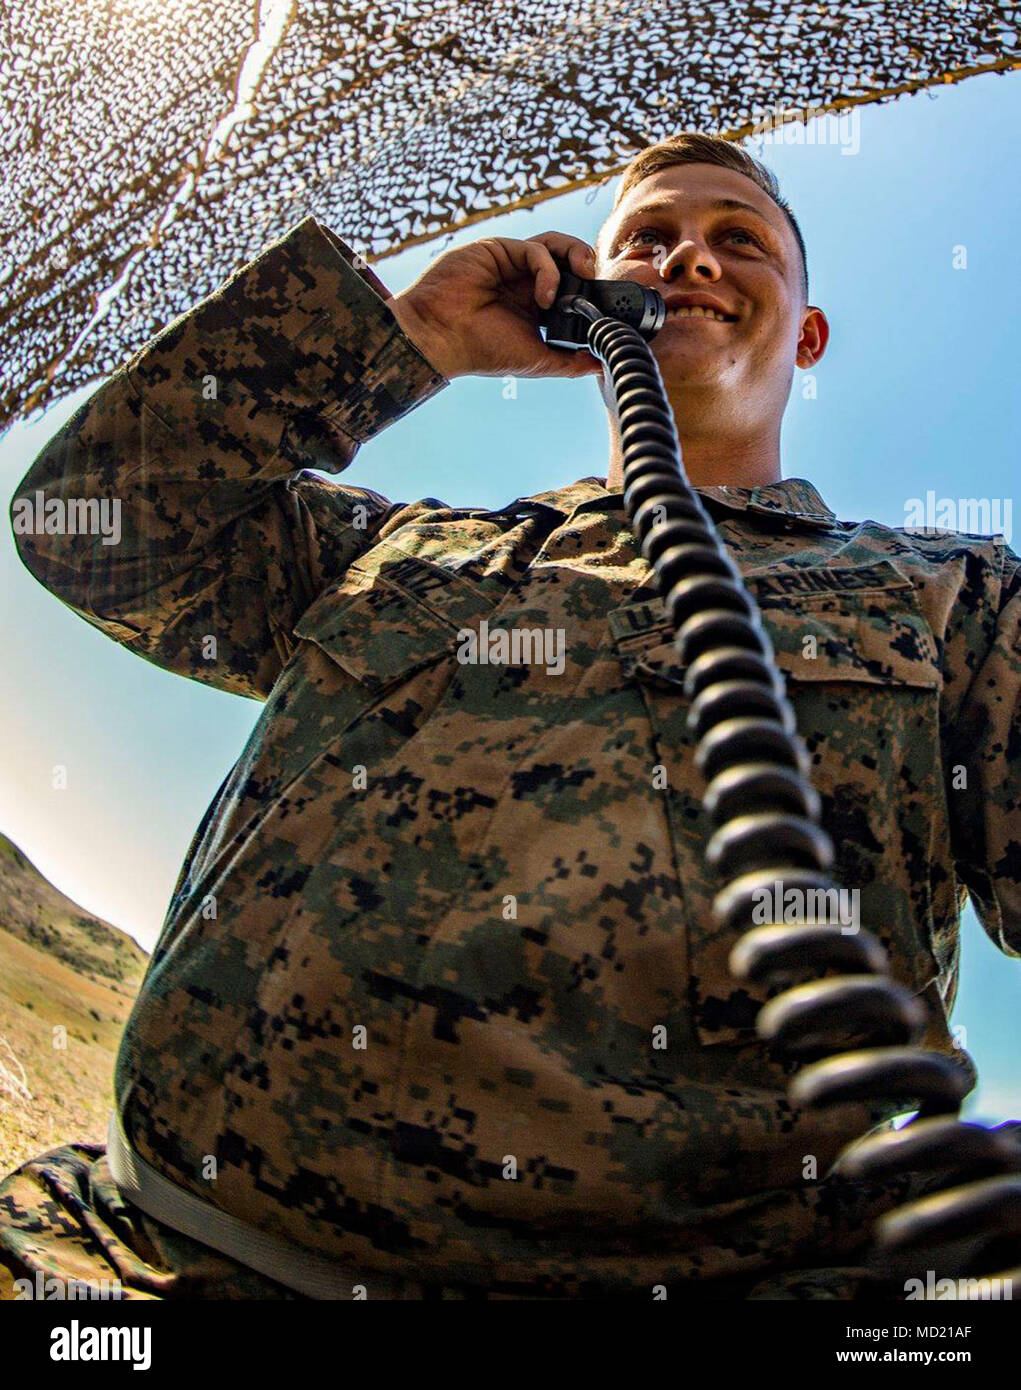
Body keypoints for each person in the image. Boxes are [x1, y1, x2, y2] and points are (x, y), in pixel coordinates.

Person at [2, 131, 1018, 1301]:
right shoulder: (404, 547)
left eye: (738, 240)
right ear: (588, 306)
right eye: (646, 239)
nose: (687, 255)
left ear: (807, 334)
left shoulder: (952, 596)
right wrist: (415, 336)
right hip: (146, 1262)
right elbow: (95, 521)